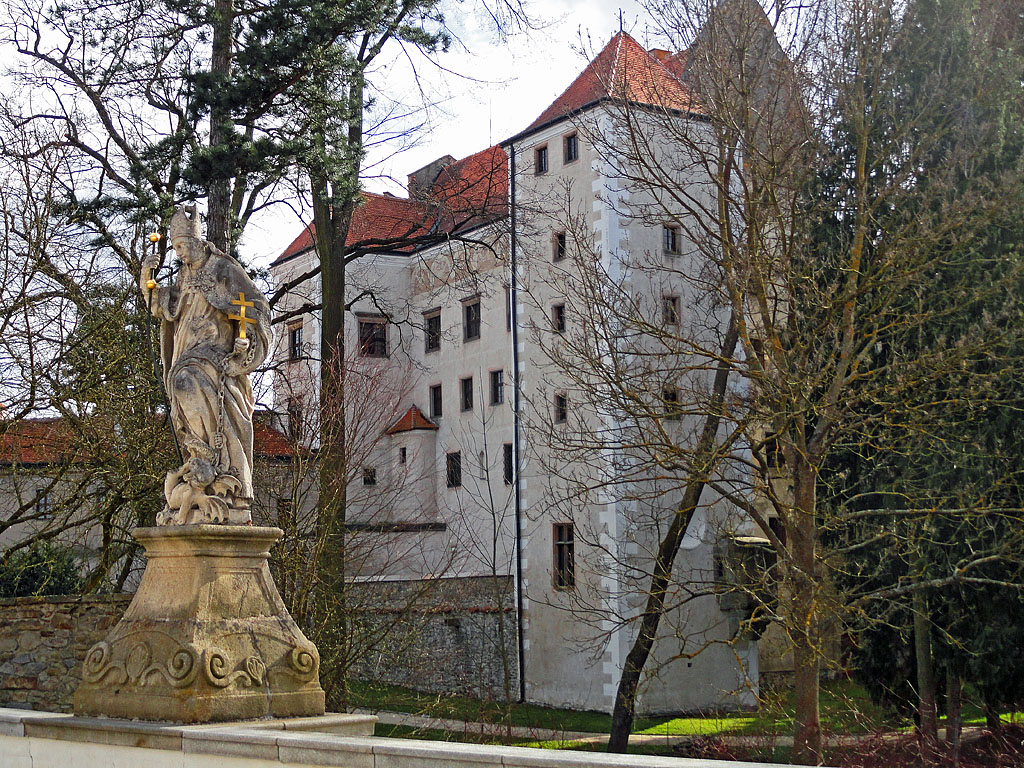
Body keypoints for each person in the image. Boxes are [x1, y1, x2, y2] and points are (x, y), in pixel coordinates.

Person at [140, 206, 270, 524]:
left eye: (183, 246)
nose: (180, 254)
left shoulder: (223, 269)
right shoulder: (183, 275)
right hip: (186, 351)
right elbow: (163, 308)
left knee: (187, 381)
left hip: (214, 355)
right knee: (180, 386)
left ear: (196, 241)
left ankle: (218, 469)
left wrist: (246, 340)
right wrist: (147, 277)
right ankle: (201, 468)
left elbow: (257, 307)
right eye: (176, 249)